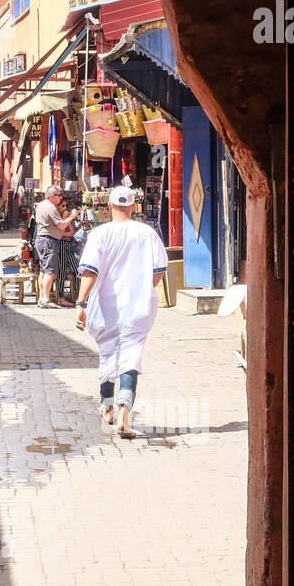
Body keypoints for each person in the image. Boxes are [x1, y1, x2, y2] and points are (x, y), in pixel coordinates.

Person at [75, 184, 168, 438]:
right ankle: (125, 415)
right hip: (138, 308)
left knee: (108, 353)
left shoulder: (100, 234)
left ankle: (107, 407)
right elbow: (159, 270)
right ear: (133, 206)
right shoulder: (147, 233)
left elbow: (90, 272)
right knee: (131, 355)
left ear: (109, 207)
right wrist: (141, 290)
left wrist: (81, 305)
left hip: (105, 308)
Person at [34, 183, 77, 308]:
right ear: (53, 196)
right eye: (59, 195)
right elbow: (62, 225)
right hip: (48, 240)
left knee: (44, 269)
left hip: (42, 239)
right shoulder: (50, 208)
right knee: (50, 271)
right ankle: (45, 299)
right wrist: (72, 216)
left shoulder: (41, 205)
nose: (60, 198)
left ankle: (42, 298)